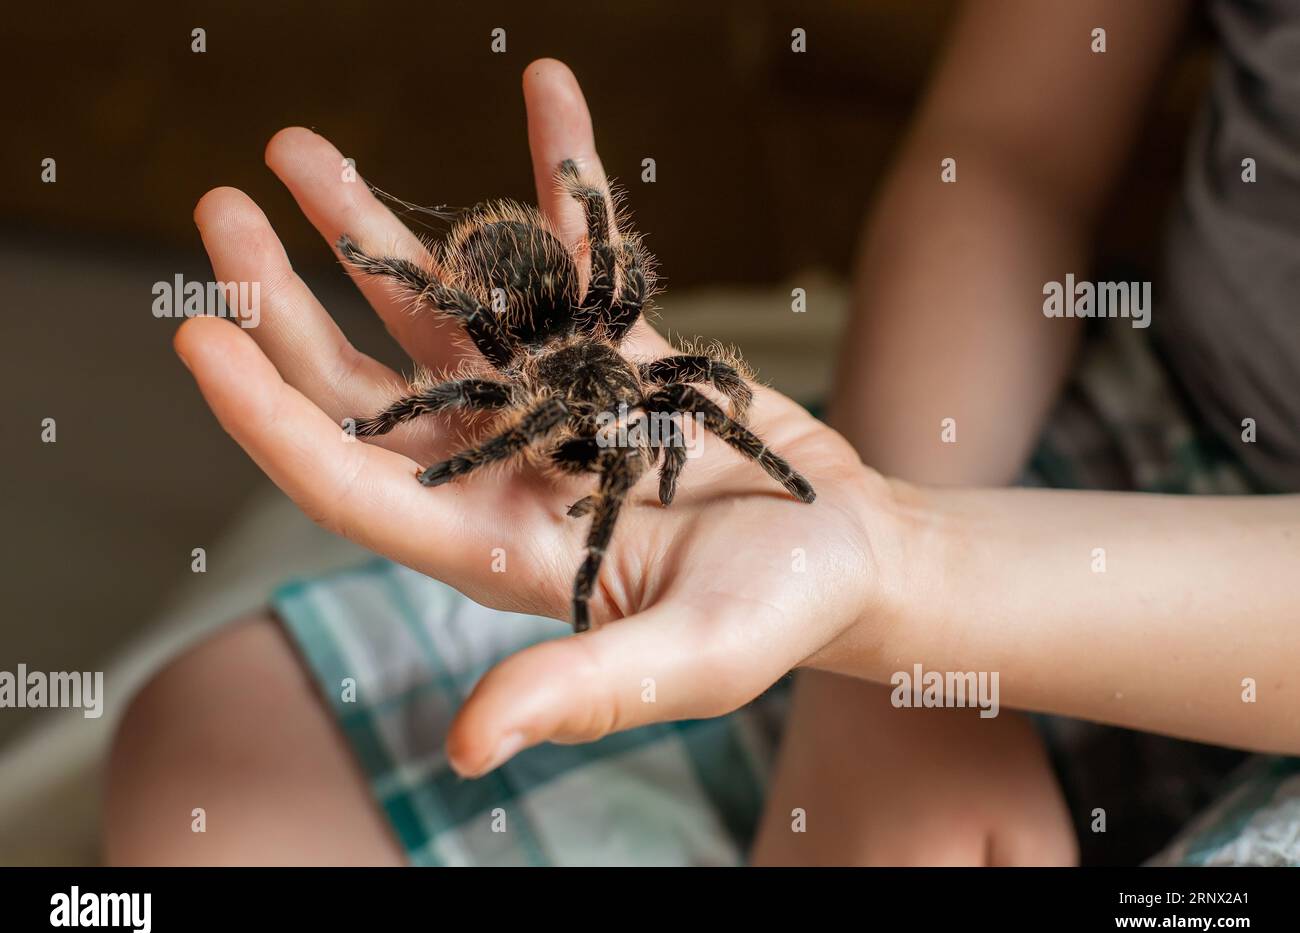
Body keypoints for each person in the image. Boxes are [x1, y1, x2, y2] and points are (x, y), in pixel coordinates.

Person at [107, 16, 1299, 866]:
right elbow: (1000, 156)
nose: (626, 439)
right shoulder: (558, 360)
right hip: (1138, 433)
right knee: (220, 746)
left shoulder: (604, 394)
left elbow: (684, 391)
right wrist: (861, 560)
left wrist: (905, 585)